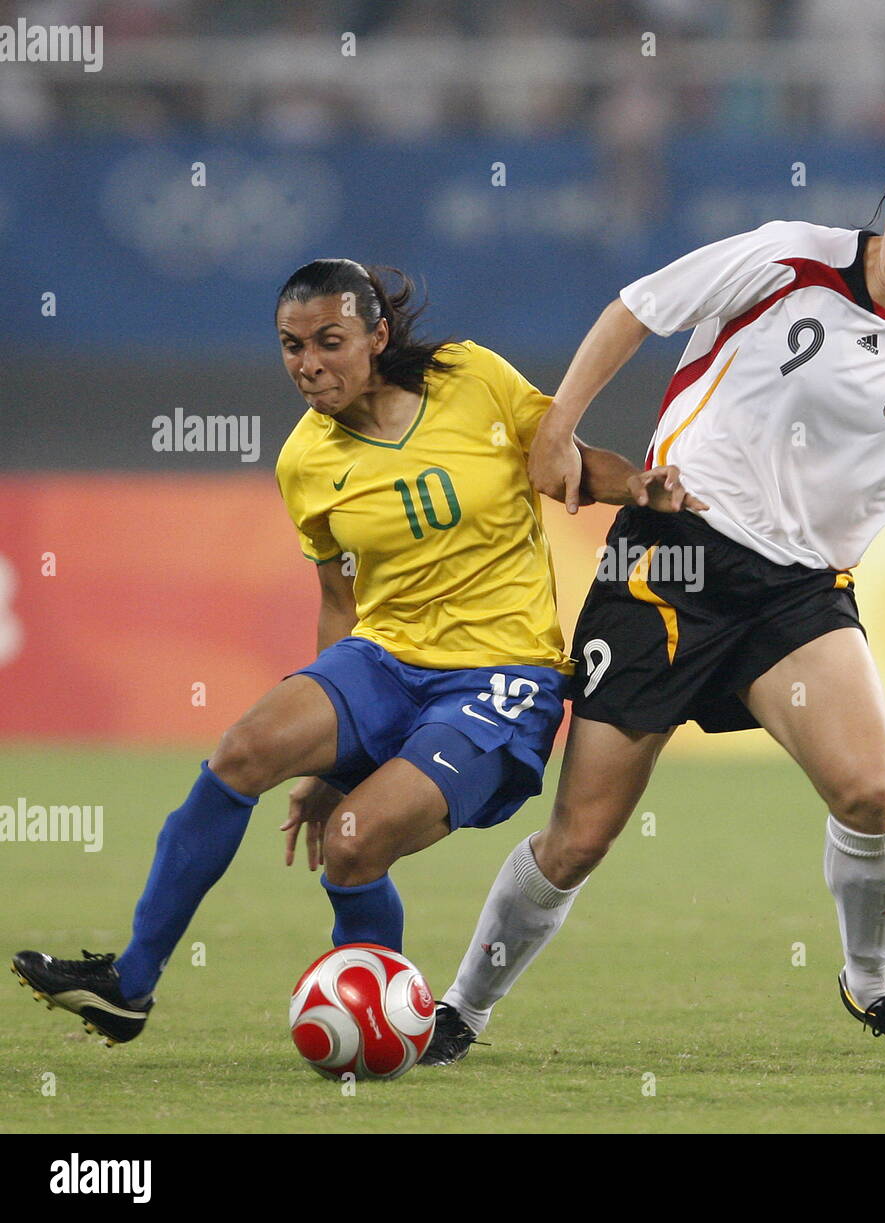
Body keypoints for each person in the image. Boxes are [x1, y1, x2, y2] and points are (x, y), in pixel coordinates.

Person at [421, 132, 885, 1072]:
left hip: (795, 597)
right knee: (581, 835)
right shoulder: (784, 257)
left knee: (872, 791)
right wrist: (560, 427)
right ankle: (461, 1009)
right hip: (668, 568)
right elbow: (636, 308)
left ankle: (871, 982)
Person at [12, 258, 697, 1045]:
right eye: (291, 346)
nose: (308, 365)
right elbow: (340, 601)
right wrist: (327, 763)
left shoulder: (471, 378)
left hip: (504, 677)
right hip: (385, 659)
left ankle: (384, 1029)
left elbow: (564, 460)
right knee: (242, 751)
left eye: (328, 341)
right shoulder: (306, 463)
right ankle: (129, 984)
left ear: (376, 336)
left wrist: (638, 486)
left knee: (351, 842)